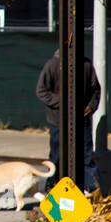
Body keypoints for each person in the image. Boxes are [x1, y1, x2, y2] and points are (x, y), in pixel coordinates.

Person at [35, 49, 101, 192]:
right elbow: (41, 91)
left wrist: (91, 107)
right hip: (57, 121)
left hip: (82, 121)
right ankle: (51, 187)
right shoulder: (52, 65)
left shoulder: (86, 65)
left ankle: (93, 190)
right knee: (57, 156)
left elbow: (95, 89)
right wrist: (63, 102)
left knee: (87, 156)